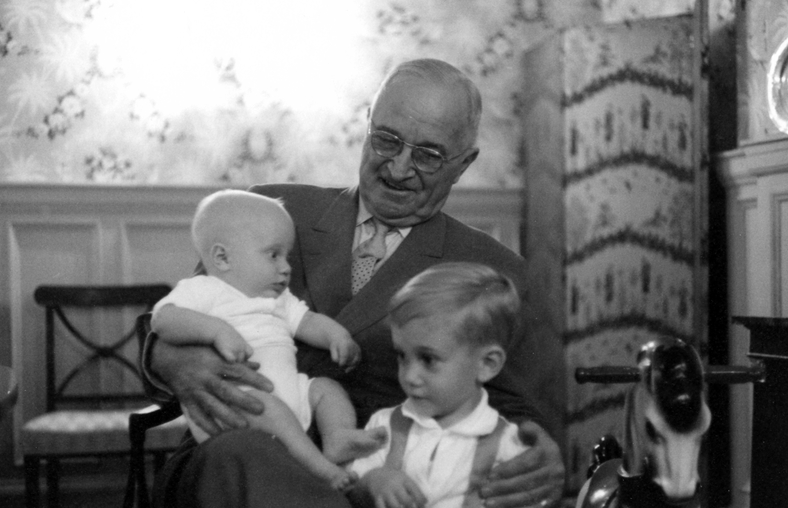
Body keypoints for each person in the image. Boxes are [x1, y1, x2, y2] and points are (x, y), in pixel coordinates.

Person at [144, 58, 566, 508]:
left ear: (463, 165)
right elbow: (174, 319)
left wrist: (539, 452)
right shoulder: (270, 212)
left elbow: (517, 410)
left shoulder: (496, 270)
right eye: (386, 140)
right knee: (242, 455)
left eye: (428, 155)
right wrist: (172, 360)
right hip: (238, 452)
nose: (399, 168)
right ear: (366, 126)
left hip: (385, 482)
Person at [150, 190, 385, 490]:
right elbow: (164, 319)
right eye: (274, 255)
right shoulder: (206, 290)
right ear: (222, 257)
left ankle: (337, 437)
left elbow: (308, 321)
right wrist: (216, 331)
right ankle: (322, 470)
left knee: (326, 389)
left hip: (292, 395)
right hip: (239, 405)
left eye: (286, 256)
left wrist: (336, 336)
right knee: (270, 410)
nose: (286, 267)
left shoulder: (278, 299)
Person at [347, 262, 531, 508]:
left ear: (487, 364)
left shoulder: (506, 445)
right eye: (402, 356)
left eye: (428, 359)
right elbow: (348, 489)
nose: (410, 376)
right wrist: (372, 481)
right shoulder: (385, 427)